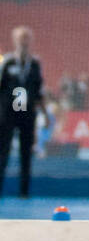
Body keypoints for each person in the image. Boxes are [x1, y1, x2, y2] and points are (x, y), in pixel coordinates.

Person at [0, 26, 50, 198]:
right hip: (7, 114)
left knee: (26, 152)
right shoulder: (7, 62)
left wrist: (45, 114)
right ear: (15, 40)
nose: (24, 41)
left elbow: (40, 91)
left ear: (31, 41)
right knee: (3, 151)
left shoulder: (35, 64)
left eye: (27, 38)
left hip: (27, 114)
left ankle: (24, 192)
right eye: (21, 37)